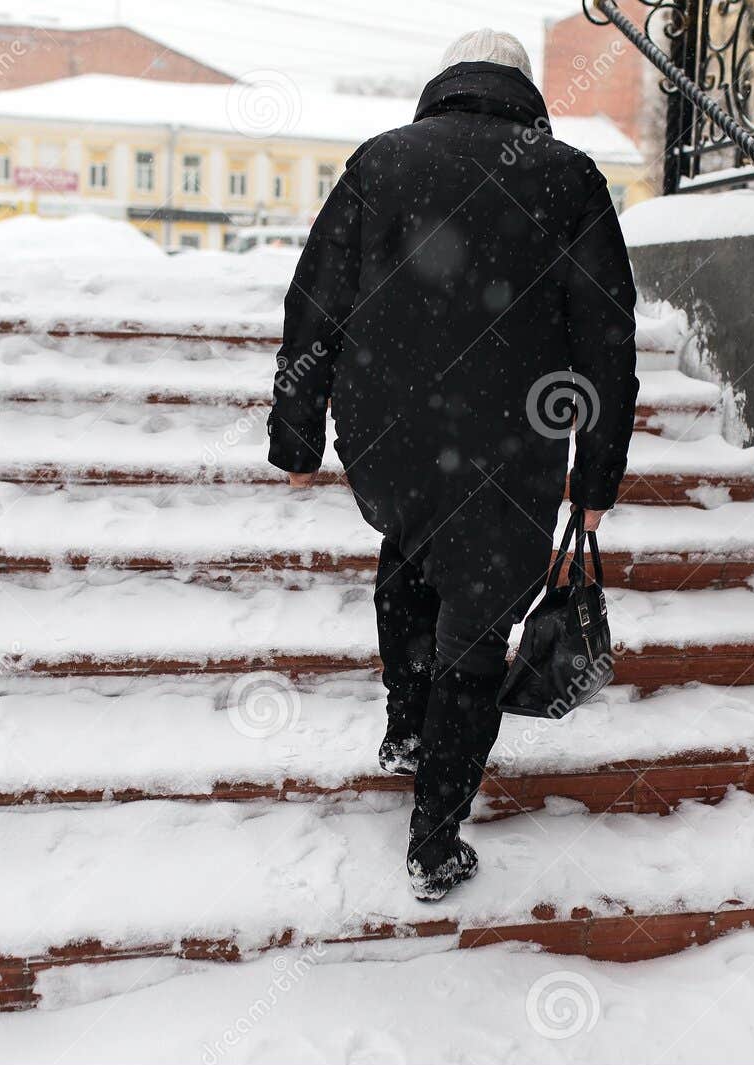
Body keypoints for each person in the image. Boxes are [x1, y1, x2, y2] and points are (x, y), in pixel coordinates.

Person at [266, 29, 639, 901]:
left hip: (389, 432)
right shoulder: (569, 174)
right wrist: (595, 480)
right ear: (523, 89)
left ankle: (406, 725)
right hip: (514, 440)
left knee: (411, 548)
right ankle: (435, 839)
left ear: (448, 82)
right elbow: (607, 335)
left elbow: (316, 298)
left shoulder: (381, 161)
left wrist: (298, 434)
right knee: (476, 619)